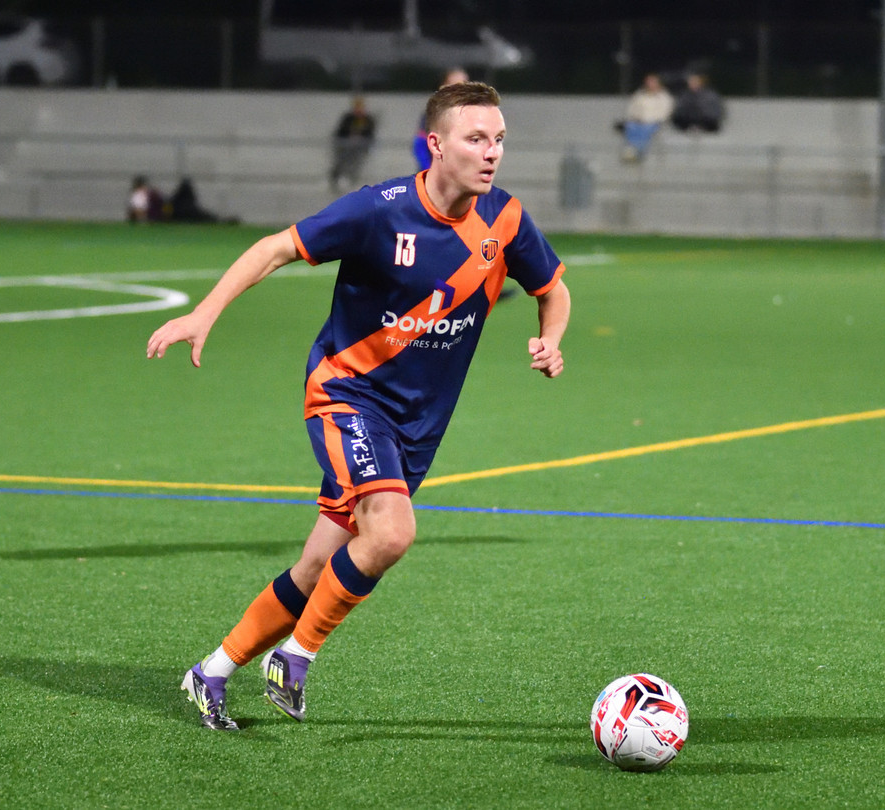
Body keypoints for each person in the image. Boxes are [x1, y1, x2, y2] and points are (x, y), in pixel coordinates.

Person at [147, 81, 570, 731]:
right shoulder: (379, 212)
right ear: (435, 145)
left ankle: (211, 671)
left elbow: (551, 288)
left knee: (319, 565)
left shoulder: (504, 219)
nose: (492, 153)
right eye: (476, 139)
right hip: (347, 394)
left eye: (500, 140)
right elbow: (276, 248)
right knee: (392, 533)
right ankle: (296, 656)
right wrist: (205, 312)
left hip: (417, 428)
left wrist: (551, 337)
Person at [412, 67, 469, 171]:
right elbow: (420, 145)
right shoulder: (433, 114)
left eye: (465, 84)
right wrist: (430, 170)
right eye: (456, 85)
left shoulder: (472, 115)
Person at [618, 73, 674, 162]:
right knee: (631, 126)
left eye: (652, 82)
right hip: (638, 121)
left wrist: (651, 120)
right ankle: (631, 150)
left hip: (654, 122)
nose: (650, 84)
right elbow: (631, 109)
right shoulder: (639, 95)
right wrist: (635, 118)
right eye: (648, 82)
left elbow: (665, 113)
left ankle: (637, 152)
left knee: (645, 129)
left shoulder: (664, 97)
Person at [330, 95, 377, 190]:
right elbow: (340, 131)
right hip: (345, 146)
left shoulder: (367, 119)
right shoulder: (348, 118)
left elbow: (370, 133)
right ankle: (337, 179)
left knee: (356, 164)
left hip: (360, 148)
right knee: (342, 162)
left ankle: (352, 179)